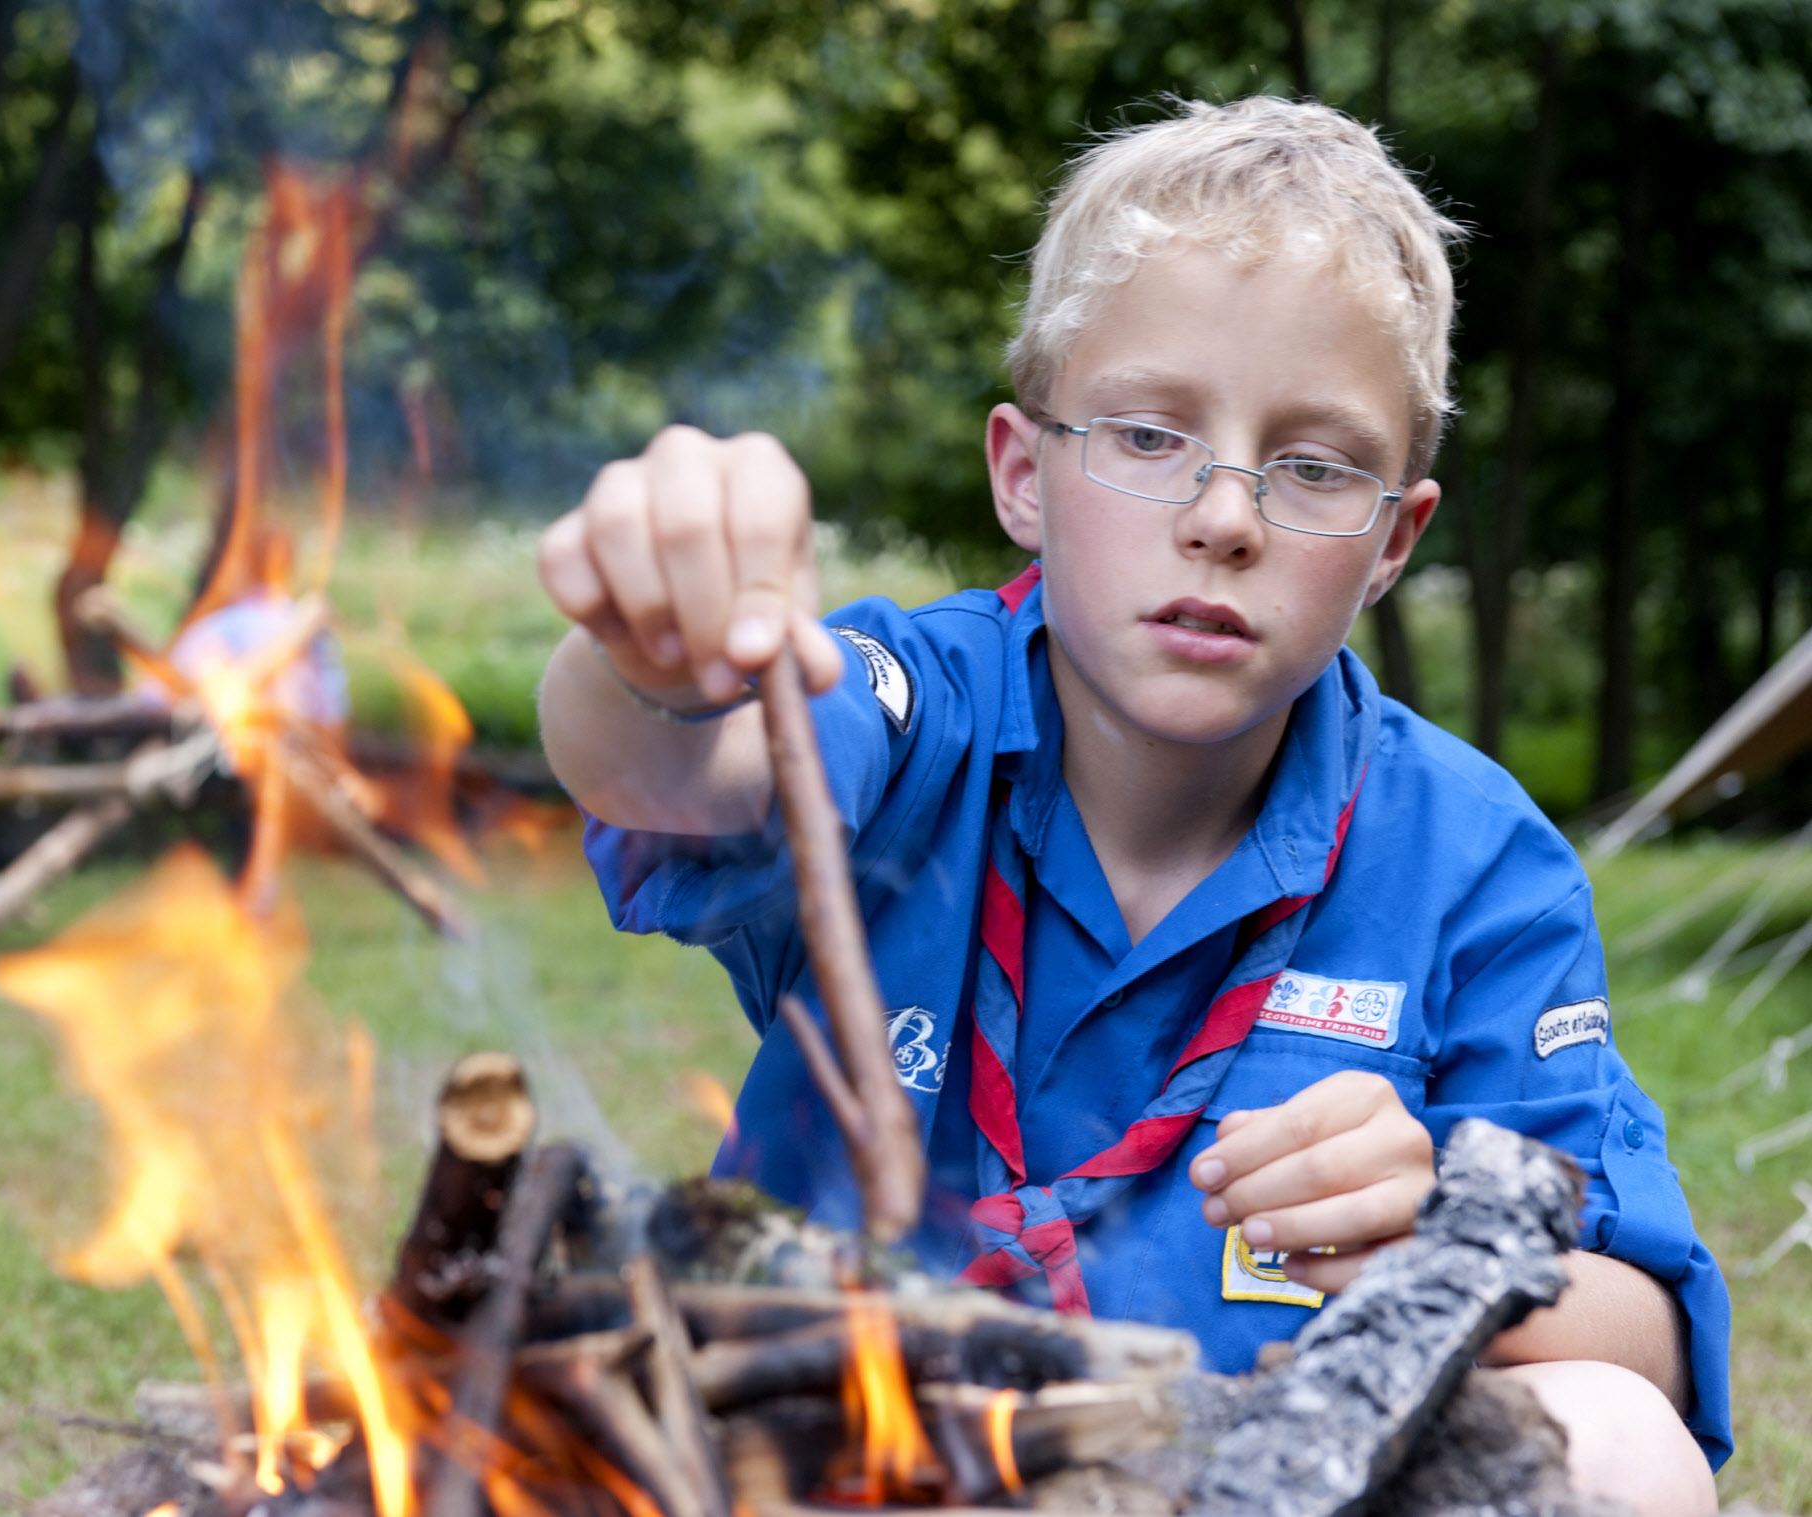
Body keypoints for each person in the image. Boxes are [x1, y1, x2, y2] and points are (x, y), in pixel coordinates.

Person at [534, 98, 1727, 1515]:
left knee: (1618, 1447)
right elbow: (682, 755)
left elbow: (1643, 1333)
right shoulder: (928, 709)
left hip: (1259, 1483)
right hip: (843, 1461)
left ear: (1393, 540)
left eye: (1316, 465)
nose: (1227, 515)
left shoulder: (1475, 861)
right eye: (1152, 434)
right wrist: (651, 647)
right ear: (1025, 474)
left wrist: (1445, 1240)